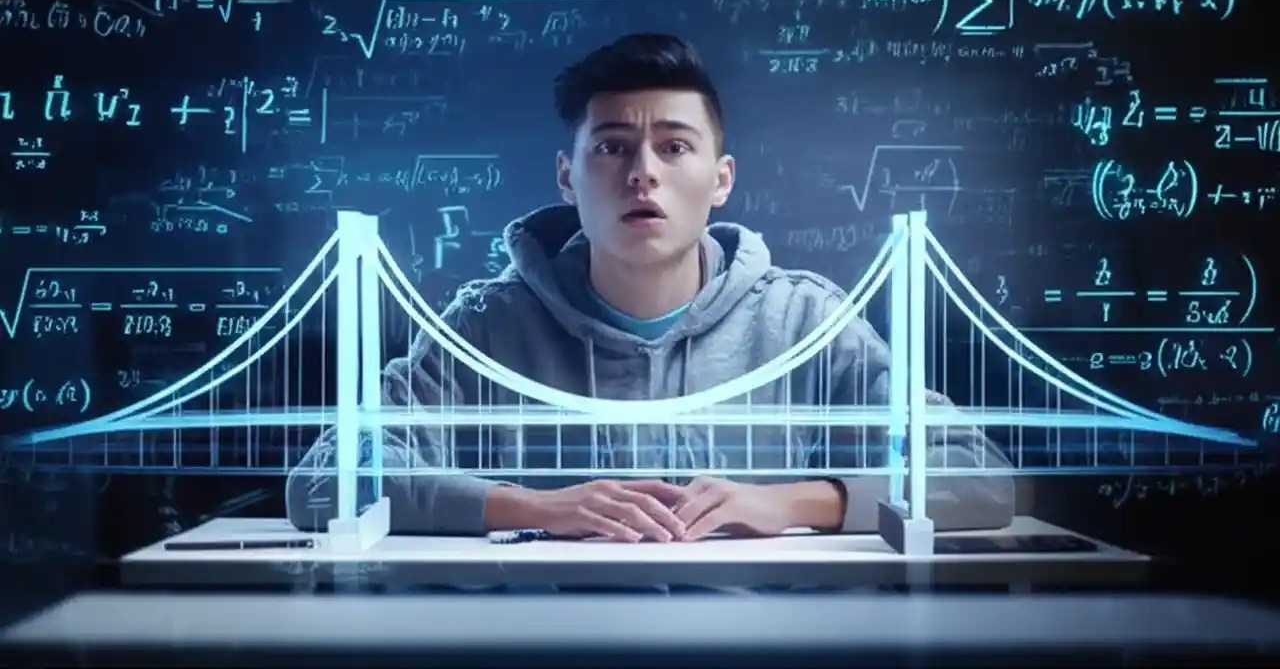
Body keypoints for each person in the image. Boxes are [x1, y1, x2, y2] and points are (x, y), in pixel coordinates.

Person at [286, 32, 1015, 547]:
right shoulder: (489, 326)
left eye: (674, 147)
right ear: (568, 176)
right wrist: (535, 508)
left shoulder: (805, 321)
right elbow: (319, 484)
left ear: (720, 180)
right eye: (611, 147)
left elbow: (983, 480)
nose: (642, 173)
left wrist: (791, 503)